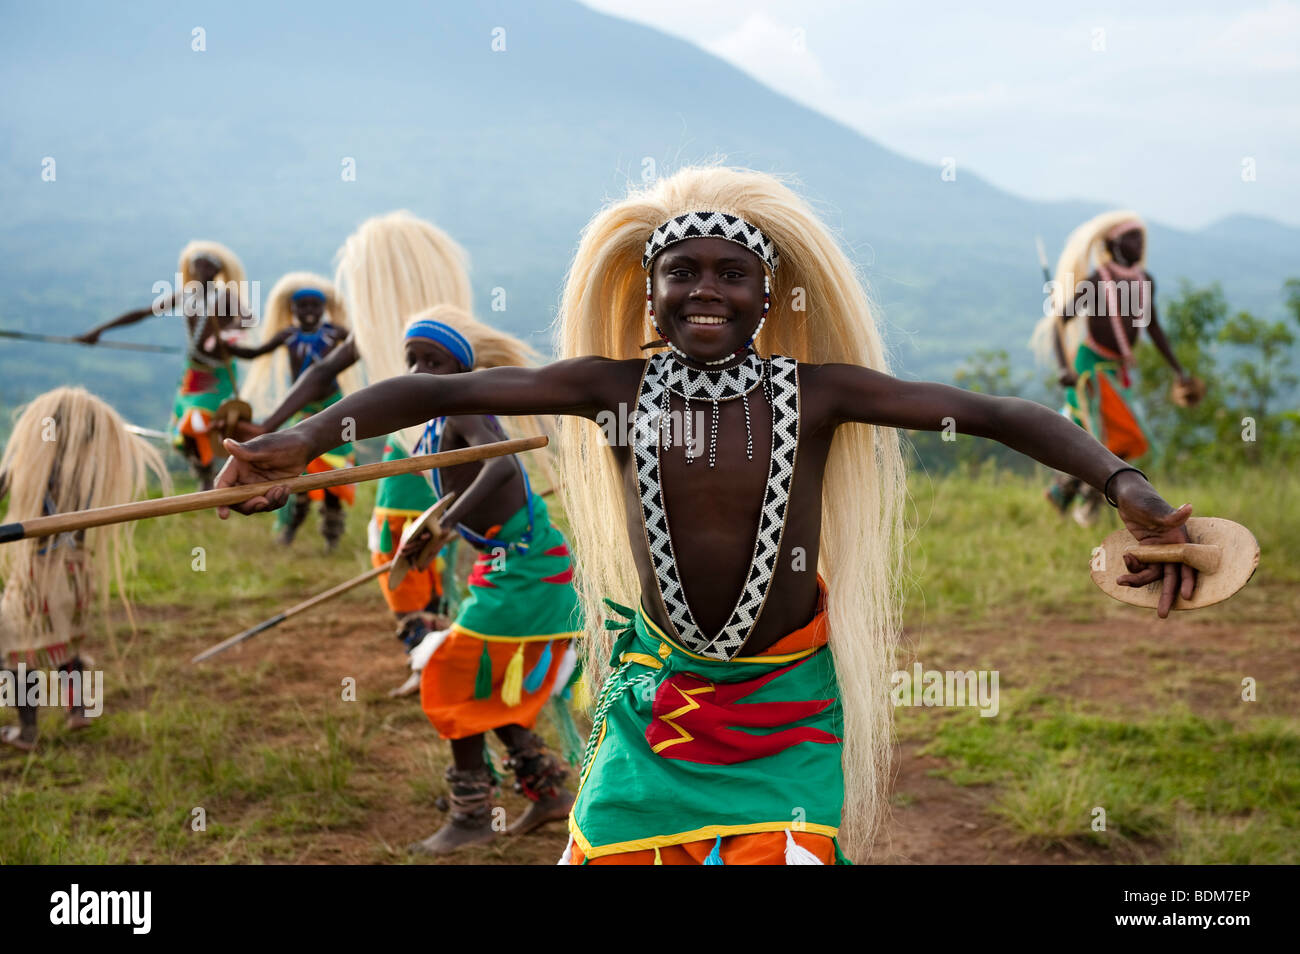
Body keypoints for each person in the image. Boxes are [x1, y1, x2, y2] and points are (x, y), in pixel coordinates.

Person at [215, 167, 1199, 865]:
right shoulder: (610, 388)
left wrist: (1123, 486)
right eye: (682, 272)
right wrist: (303, 442)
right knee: (609, 850)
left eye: (731, 274)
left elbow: (993, 413)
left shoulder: (818, 393)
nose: (705, 290)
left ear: (767, 295)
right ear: (650, 294)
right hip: (661, 705)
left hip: (785, 707)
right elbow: (425, 398)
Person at [244, 213, 474, 682]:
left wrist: (272, 422)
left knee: (405, 544)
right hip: (423, 451)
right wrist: (269, 424)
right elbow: (321, 373)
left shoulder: (436, 328)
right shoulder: (407, 326)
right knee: (422, 545)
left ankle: (434, 653)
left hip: (431, 452)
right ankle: (435, 648)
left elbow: (322, 373)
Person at [392, 306, 580, 854]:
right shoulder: (435, 421)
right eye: (414, 360)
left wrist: (445, 525)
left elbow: (500, 465)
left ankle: (472, 813)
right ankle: (546, 791)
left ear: (464, 371)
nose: (422, 371)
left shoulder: (466, 406)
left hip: (529, 569)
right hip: (504, 567)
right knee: (483, 682)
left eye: (436, 361)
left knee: (453, 672)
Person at [0, 387, 169, 750]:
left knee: (15, 648)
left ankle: (27, 732)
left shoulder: (31, 469)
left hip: (39, 571)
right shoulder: (92, 472)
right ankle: (81, 709)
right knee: (69, 643)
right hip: (78, 572)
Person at [1032, 212, 1198, 525]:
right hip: (1089, 369)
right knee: (1110, 438)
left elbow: (1153, 327)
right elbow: (1059, 324)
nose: (1139, 244)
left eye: (1141, 238)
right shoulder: (1097, 281)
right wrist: (1063, 368)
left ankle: (1068, 488)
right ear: (1113, 244)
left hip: (1116, 371)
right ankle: (1082, 496)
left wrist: (1178, 370)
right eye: (1131, 237)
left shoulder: (1144, 281)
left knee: (1119, 440)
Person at [77, 241, 268, 489]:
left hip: (216, 375)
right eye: (197, 265)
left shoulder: (226, 297)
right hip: (193, 374)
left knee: (198, 422)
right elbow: (144, 313)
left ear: (217, 271)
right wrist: (100, 330)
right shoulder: (186, 296)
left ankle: (222, 470)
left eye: (207, 266)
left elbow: (247, 319)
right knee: (183, 430)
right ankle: (204, 473)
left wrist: (224, 333)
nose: (201, 270)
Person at [242, 272, 358, 549]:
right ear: (292, 310)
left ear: (324, 308)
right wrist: (226, 348)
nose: (308, 312)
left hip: (333, 410)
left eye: (314, 306)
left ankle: (332, 535)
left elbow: (362, 341)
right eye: (302, 306)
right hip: (303, 412)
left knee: (333, 478)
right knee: (297, 481)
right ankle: (290, 528)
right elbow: (257, 352)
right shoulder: (288, 336)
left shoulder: (335, 333)